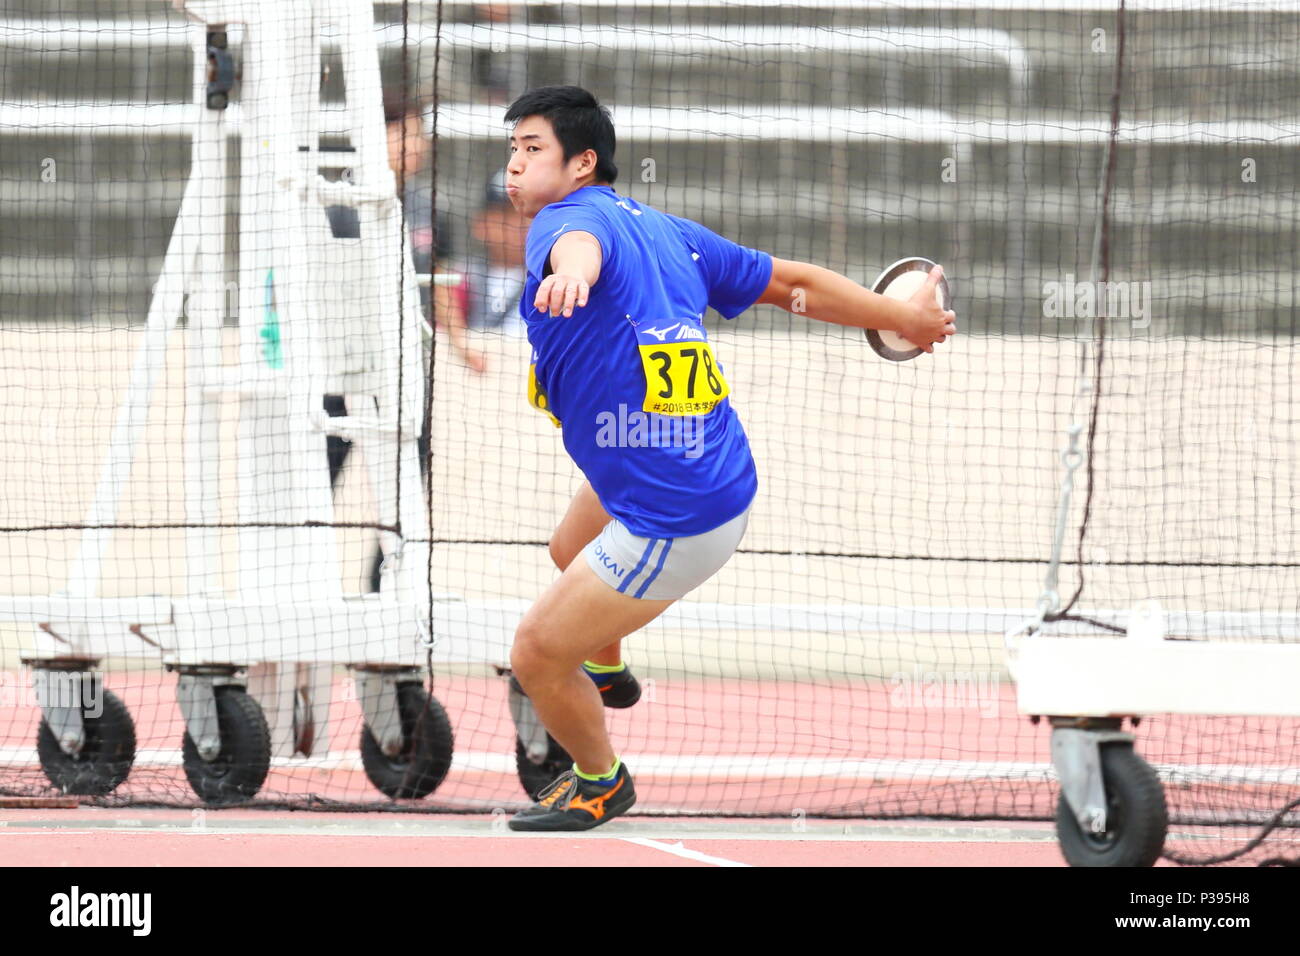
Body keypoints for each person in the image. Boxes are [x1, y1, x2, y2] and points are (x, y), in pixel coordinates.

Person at [503, 86, 957, 831]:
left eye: (532, 150)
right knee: (569, 546)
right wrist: (902, 316)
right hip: (691, 463)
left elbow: (577, 248)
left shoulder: (565, 220)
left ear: (583, 163)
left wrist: (574, 274)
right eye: (512, 151)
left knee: (536, 654)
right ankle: (610, 670)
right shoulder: (673, 234)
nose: (514, 168)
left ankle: (599, 781)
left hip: (675, 513)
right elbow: (794, 286)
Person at [325, 91, 485, 591]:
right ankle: (302, 585)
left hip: (405, 372)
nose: (415, 145)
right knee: (317, 482)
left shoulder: (430, 204)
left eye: (419, 134)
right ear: (373, 136)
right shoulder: (333, 202)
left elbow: (439, 283)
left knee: (403, 489)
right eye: (404, 132)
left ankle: (385, 589)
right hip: (338, 372)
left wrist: (460, 345)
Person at [454, 168, 530, 336]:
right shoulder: (461, 278)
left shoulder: (552, 277)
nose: (520, 223)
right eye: (506, 213)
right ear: (481, 223)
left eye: (528, 213)